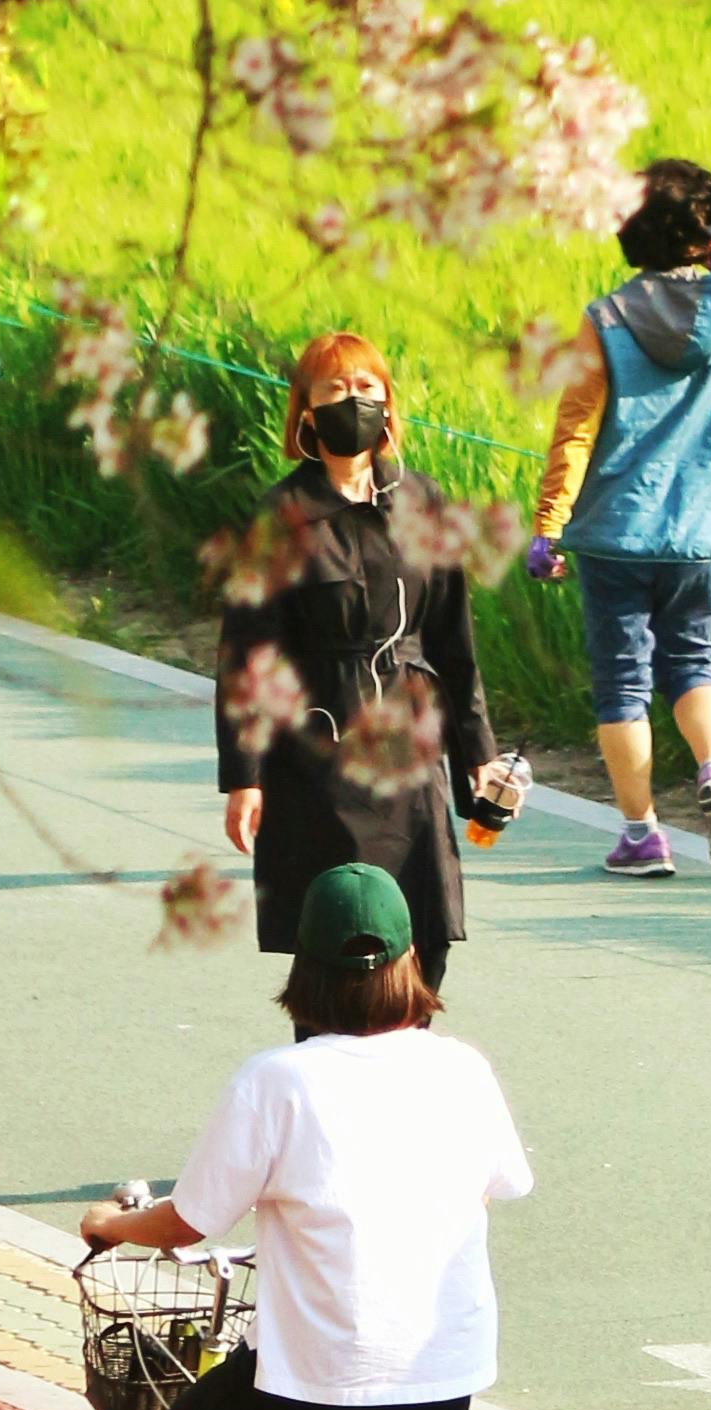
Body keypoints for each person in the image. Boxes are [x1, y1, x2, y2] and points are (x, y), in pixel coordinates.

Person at [82, 862, 533, 1410]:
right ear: (410, 962)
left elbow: (190, 1221)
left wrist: (113, 1224)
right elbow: (498, 1182)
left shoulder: (277, 1081)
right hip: (445, 1378)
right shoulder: (460, 1069)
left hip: (316, 1382)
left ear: (305, 971)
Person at [216, 329, 514, 991]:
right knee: (337, 942)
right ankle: (327, 1051)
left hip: (411, 740)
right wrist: (244, 777)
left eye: (366, 387)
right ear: (306, 411)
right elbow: (247, 657)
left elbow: (453, 643)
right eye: (334, 389)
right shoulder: (281, 515)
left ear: (388, 402)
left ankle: (409, 1050)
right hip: (319, 752)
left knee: (427, 931)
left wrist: (479, 754)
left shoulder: (423, 502)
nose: (353, 401)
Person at [526, 156, 711, 879]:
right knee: (693, 660)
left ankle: (642, 834)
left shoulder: (604, 320)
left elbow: (575, 429)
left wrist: (548, 525)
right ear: (708, 239)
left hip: (617, 532)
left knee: (621, 681)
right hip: (703, 532)